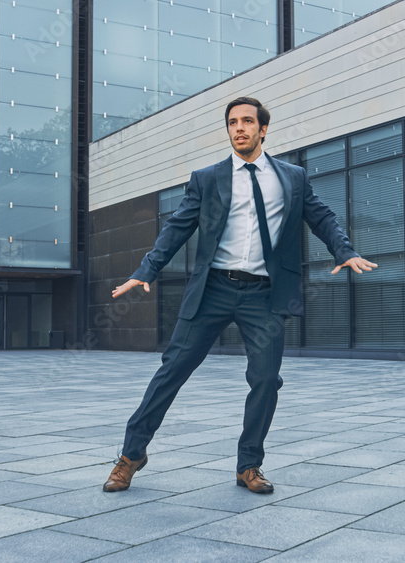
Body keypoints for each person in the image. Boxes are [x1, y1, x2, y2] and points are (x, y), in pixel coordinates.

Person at [103, 96, 377, 494]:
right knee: (171, 371)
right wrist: (147, 269)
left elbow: (321, 217)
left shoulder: (292, 177)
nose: (239, 128)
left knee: (266, 379)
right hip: (212, 290)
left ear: (263, 129)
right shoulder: (207, 178)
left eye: (247, 121)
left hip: (264, 294)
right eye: (233, 122)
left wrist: (344, 251)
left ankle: (249, 465)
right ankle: (131, 456)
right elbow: (178, 227)